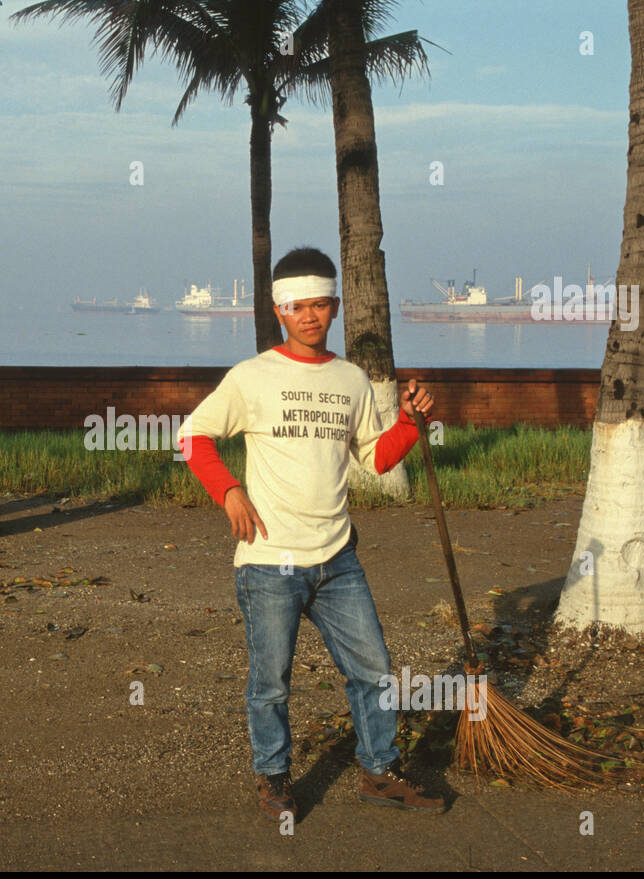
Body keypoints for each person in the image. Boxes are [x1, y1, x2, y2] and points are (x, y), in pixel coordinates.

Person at [177, 246, 445, 820]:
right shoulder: (251, 378)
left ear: (335, 307)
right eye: (298, 306)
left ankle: (378, 771)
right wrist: (228, 490)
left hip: (338, 558)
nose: (310, 317)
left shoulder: (350, 380)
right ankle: (273, 779)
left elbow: (374, 460)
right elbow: (192, 436)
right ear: (280, 310)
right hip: (268, 559)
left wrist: (411, 423)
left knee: (374, 672)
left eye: (320, 306)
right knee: (271, 683)